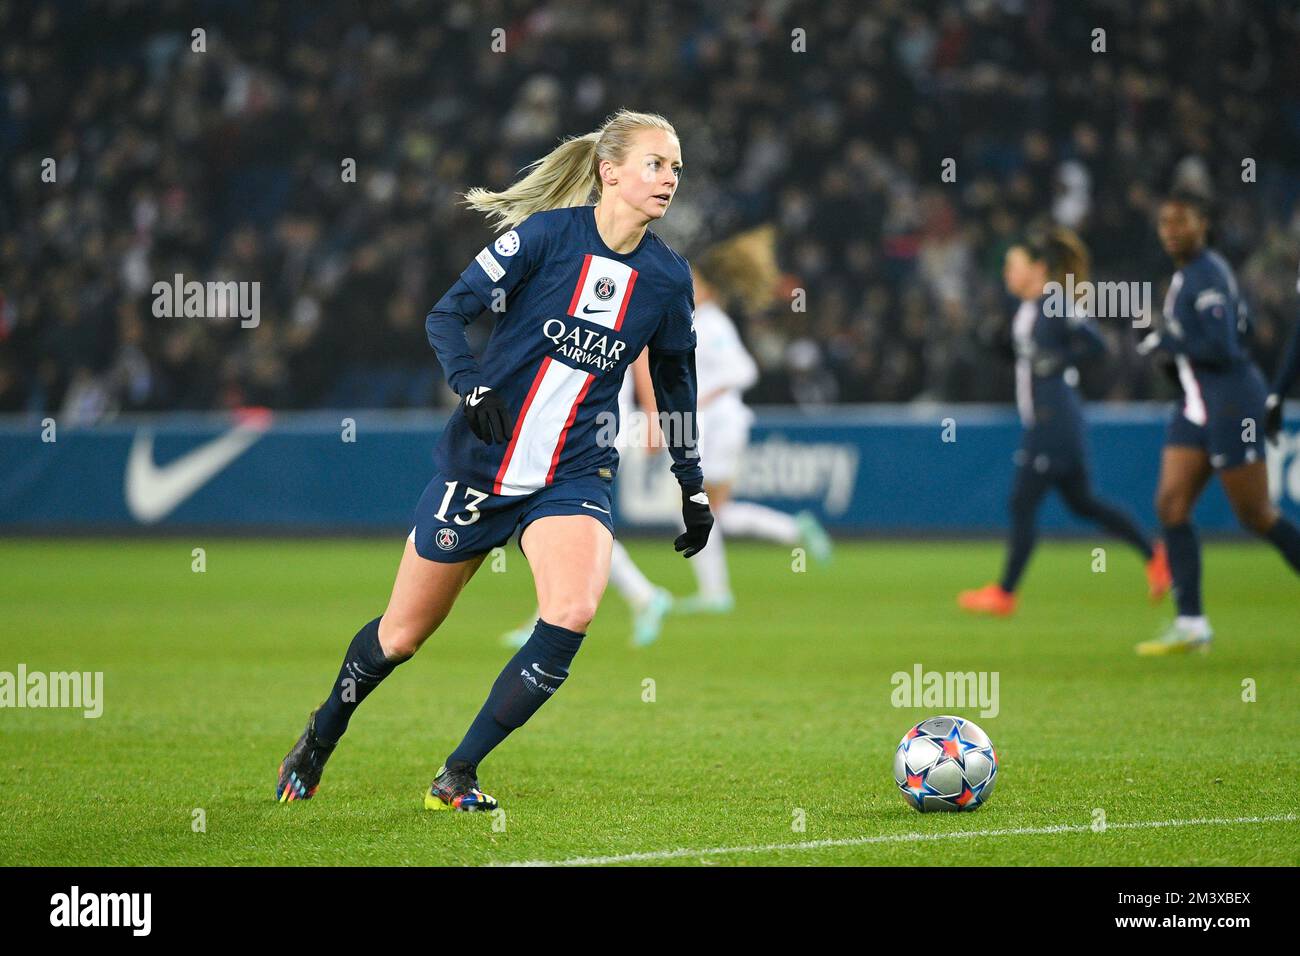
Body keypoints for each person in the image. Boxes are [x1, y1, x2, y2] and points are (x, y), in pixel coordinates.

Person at [276, 110, 713, 809]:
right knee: (399, 637)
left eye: (677, 168)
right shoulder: (543, 237)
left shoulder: (666, 278)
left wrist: (691, 484)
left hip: (571, 472)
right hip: (480, 467)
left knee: (571, 610)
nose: (670, 179)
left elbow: (676, 383)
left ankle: (458, 772)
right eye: (658, 164)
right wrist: (471, 383)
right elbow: (445, 314)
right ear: (611, 171)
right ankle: (322, 734)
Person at [960, 227, 1169, 617]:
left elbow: (1095, 344)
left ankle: (1005, 593)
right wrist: (997, 344)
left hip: (1053, 418)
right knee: (1083, 503)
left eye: (1013, 265)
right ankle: (1155, 556)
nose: (1007, 273)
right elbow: (1031, 357)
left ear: (1037, 268)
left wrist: (1059, 363)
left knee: (1022, 502)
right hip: (1052, 417)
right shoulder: (1026, 309)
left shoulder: (1054, 301)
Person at [1135, 191, 1300, 654]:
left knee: (1256, 514)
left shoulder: (1207, 274)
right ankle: (1191, 623)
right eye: (1165, 223)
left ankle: (1192, 622)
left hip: (1230, 401)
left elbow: (1223, 347)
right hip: (1196, 405)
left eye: (1181, 221)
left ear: (1203, 223)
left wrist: (1168, 340)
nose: (1171, 231)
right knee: (1170, 504)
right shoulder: (1188, 276)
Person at [675, 226, 833, 614]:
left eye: (694, 280)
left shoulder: (712, 324)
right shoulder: (700, 321)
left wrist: (703, 397)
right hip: (715, 425)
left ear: (709, 288)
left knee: (700, 511)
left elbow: (744, 371)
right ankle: (791, 531)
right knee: (710, 513)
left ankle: (717, 593)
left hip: (722, 424)